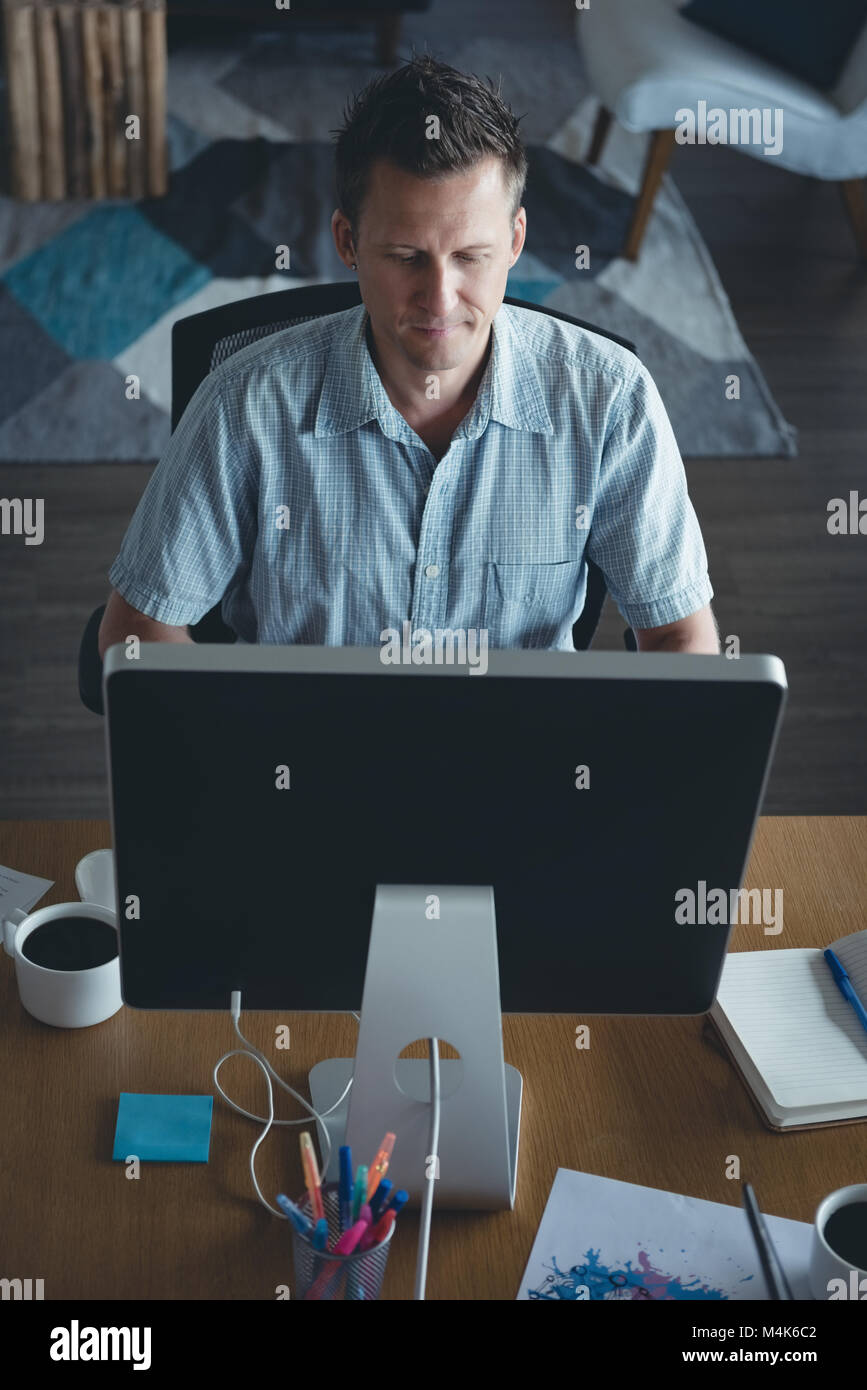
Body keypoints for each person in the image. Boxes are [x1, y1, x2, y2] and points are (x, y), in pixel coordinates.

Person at [98, 54, 718, 659]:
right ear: (348, 242)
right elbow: (136, 632)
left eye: (470, 257)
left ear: (515, 241)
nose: (440, 300)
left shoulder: (613, 401)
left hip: (526, 758)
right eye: (405, 257)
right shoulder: (242, 408)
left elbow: (678, 636)